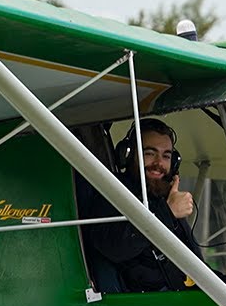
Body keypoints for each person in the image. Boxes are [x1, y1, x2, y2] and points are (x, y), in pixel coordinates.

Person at [83, 118, 203, 292]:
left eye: (166, 156)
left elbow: (196, 268)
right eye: (150, 153)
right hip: (141, 304)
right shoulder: (112, 192)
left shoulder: (163, 199)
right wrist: (167, 213)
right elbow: (114, 247)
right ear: (128, 155)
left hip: (177, 299)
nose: (159, 163)